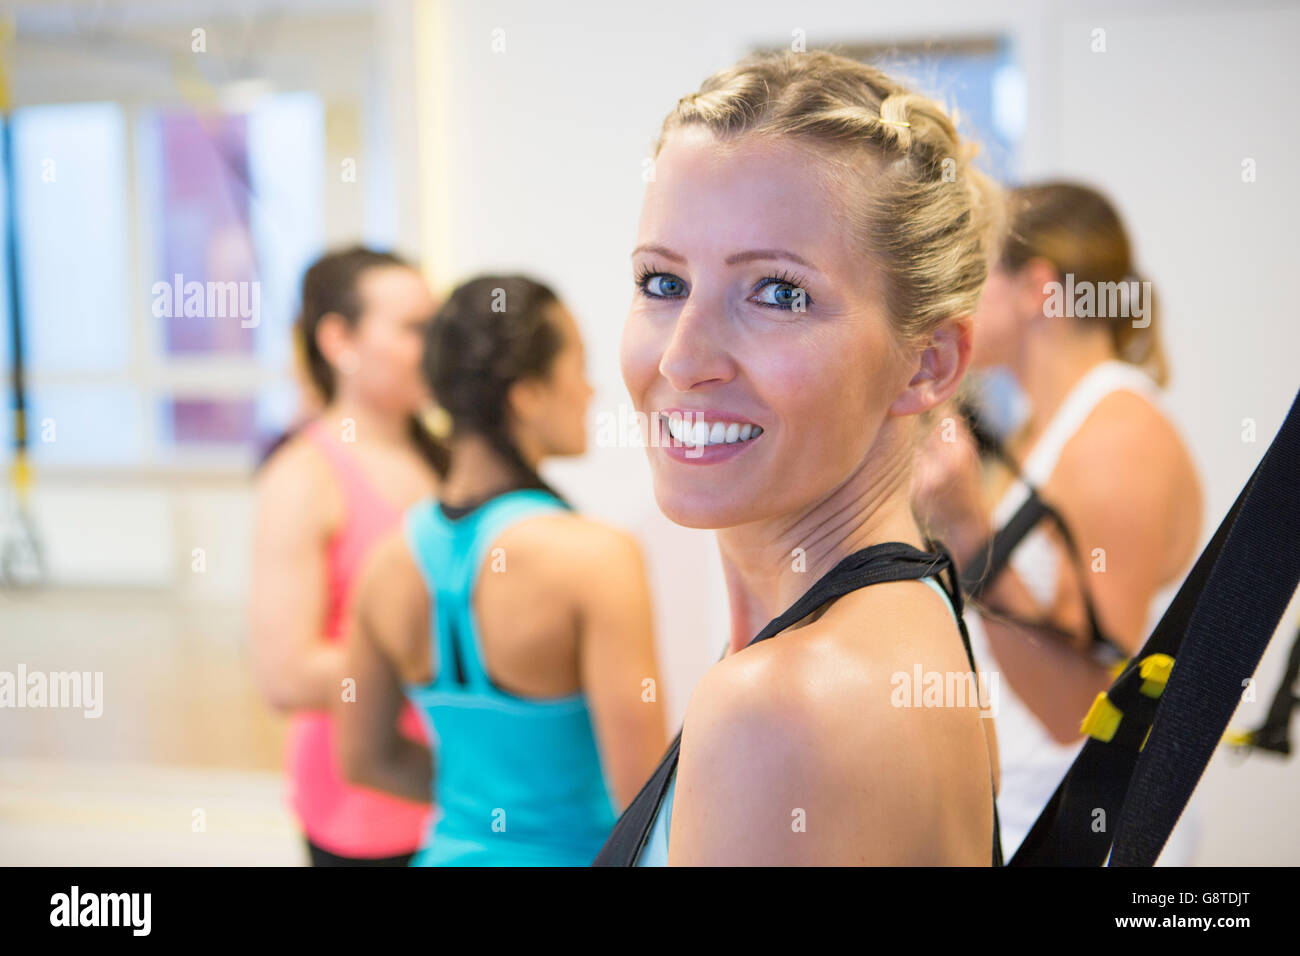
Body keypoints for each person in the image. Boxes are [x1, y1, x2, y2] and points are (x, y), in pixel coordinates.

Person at [600, 49, 1003, 865]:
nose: (684, 359)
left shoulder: (785, 705)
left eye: (778, 293)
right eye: (663, 283)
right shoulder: (903, 619)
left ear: (927, 363)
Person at [912, 182, 1204, 863]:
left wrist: (968, 536)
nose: (956, 299)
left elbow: (1090, 708)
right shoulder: (1046, 430)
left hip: (1086, 832)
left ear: (1037, 288)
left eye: (974, 272)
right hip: (1025, 813)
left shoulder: (1116, 437)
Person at [337, 275, 667, 866]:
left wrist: (484, 805)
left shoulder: (386, 564)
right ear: (527, 395)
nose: (592, 391)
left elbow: (366, 759)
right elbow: (642, 800)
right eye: (579, 367)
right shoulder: (597, 560)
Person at [250, 246, 441, 866]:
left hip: (455, 792)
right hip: (360, 808)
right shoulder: (302, 477)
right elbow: (286, 674)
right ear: (339, 340)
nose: (434, 345)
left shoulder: (447, 457)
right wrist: (453, 655)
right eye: (414, 328)